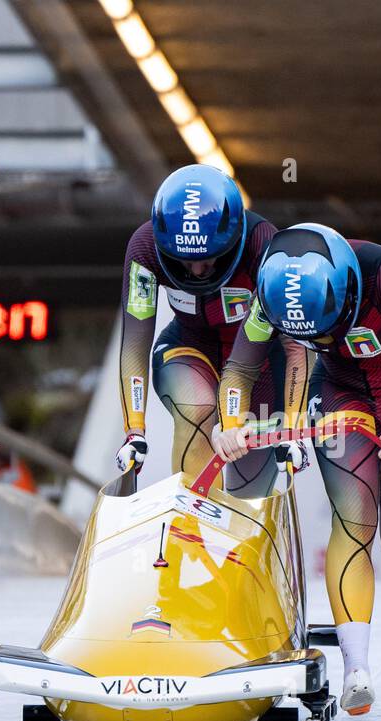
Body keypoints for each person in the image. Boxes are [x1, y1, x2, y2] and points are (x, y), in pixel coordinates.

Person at [213, 224, 381, 716]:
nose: (323, 338)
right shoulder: (272, 295)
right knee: (353, 522)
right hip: (341, 392)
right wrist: (230, 422)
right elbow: (240, 369)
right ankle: (357, 670)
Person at [115, 164, 307, 494]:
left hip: (258, 367)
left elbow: (295, 347)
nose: (199, 270)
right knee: (196, 406)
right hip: (188, 348)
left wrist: (293, 426)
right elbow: (134, 344)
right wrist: (135, 430)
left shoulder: (266, 247)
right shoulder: (144, 248)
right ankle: (190, 529)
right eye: (185, 259)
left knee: (248, 497)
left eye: (210, 257)